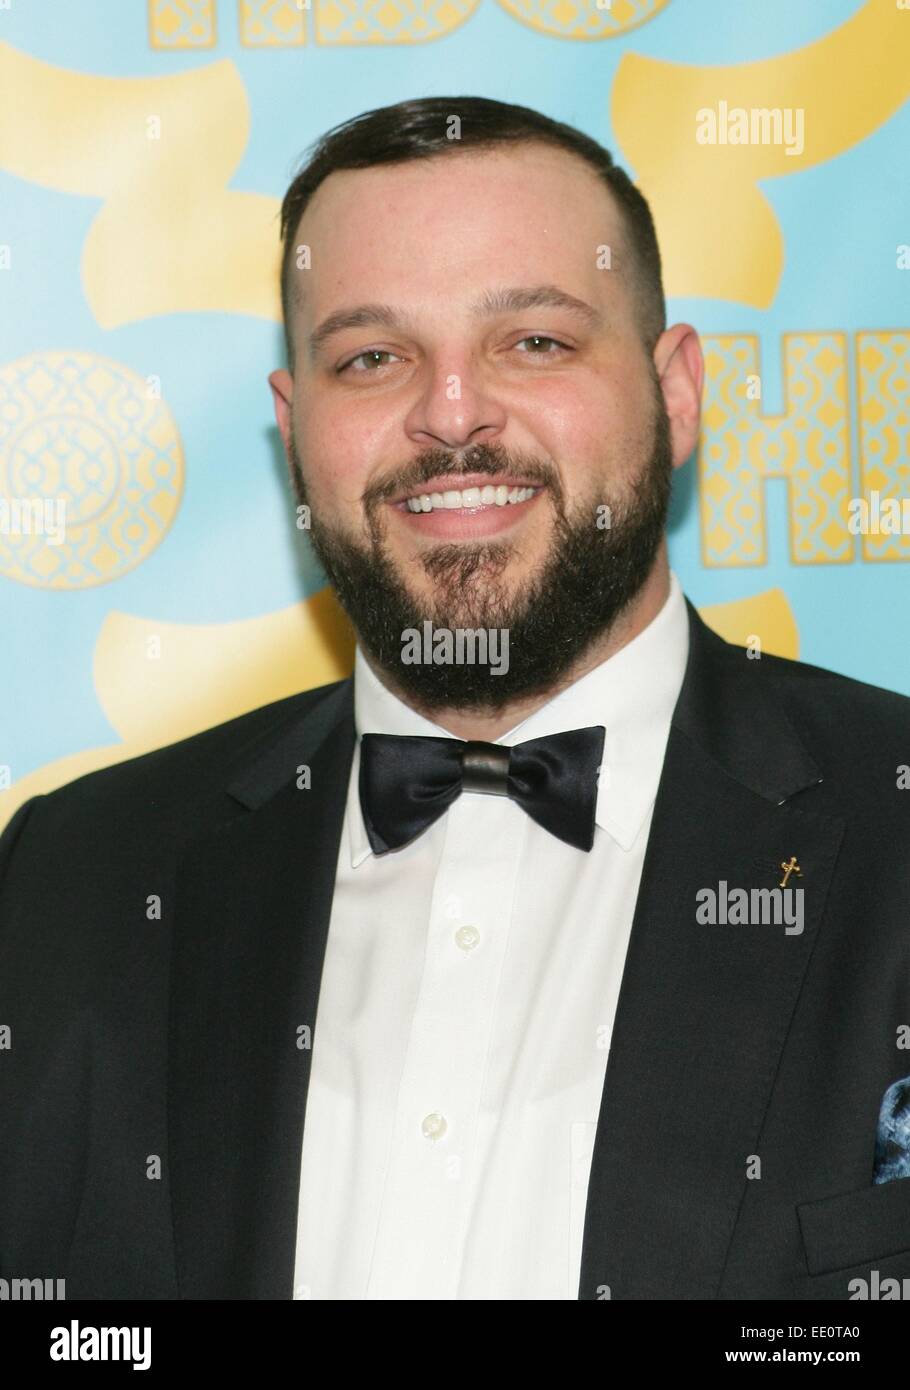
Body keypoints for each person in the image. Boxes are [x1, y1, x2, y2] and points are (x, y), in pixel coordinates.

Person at [1, 96, 908, 1302]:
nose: (449, 413)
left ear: (675, 393)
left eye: (533, 339)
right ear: (294, 432)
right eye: (370, 357)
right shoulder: (72, 882)